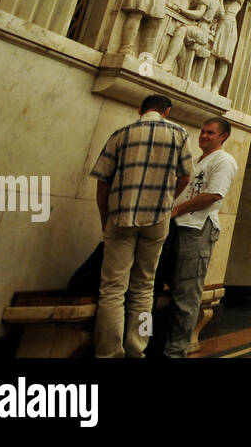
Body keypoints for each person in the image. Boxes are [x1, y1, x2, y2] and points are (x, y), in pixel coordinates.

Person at [89, 94, 192, 358]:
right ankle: (137, 349)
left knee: (112, 288)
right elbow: (185, 176)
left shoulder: (121, 134)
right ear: (166, 111)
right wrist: (167, 201)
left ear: (139, 109)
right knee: (144, 286)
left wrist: (105, 217)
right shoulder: (179, 134)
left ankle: (109, 352)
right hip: (157, 219)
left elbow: (102, 182)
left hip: (121, 216)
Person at [162, 116, 237, 358]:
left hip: (197, 229)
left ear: (223, 136)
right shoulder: (198, 160)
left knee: (187, 291)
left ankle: (176, 350)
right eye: (203, 132)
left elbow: (214, 194)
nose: (204, 136)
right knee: (173, 289)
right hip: (179, 226)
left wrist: (177, 210)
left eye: (210, 133)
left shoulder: (223, 161)